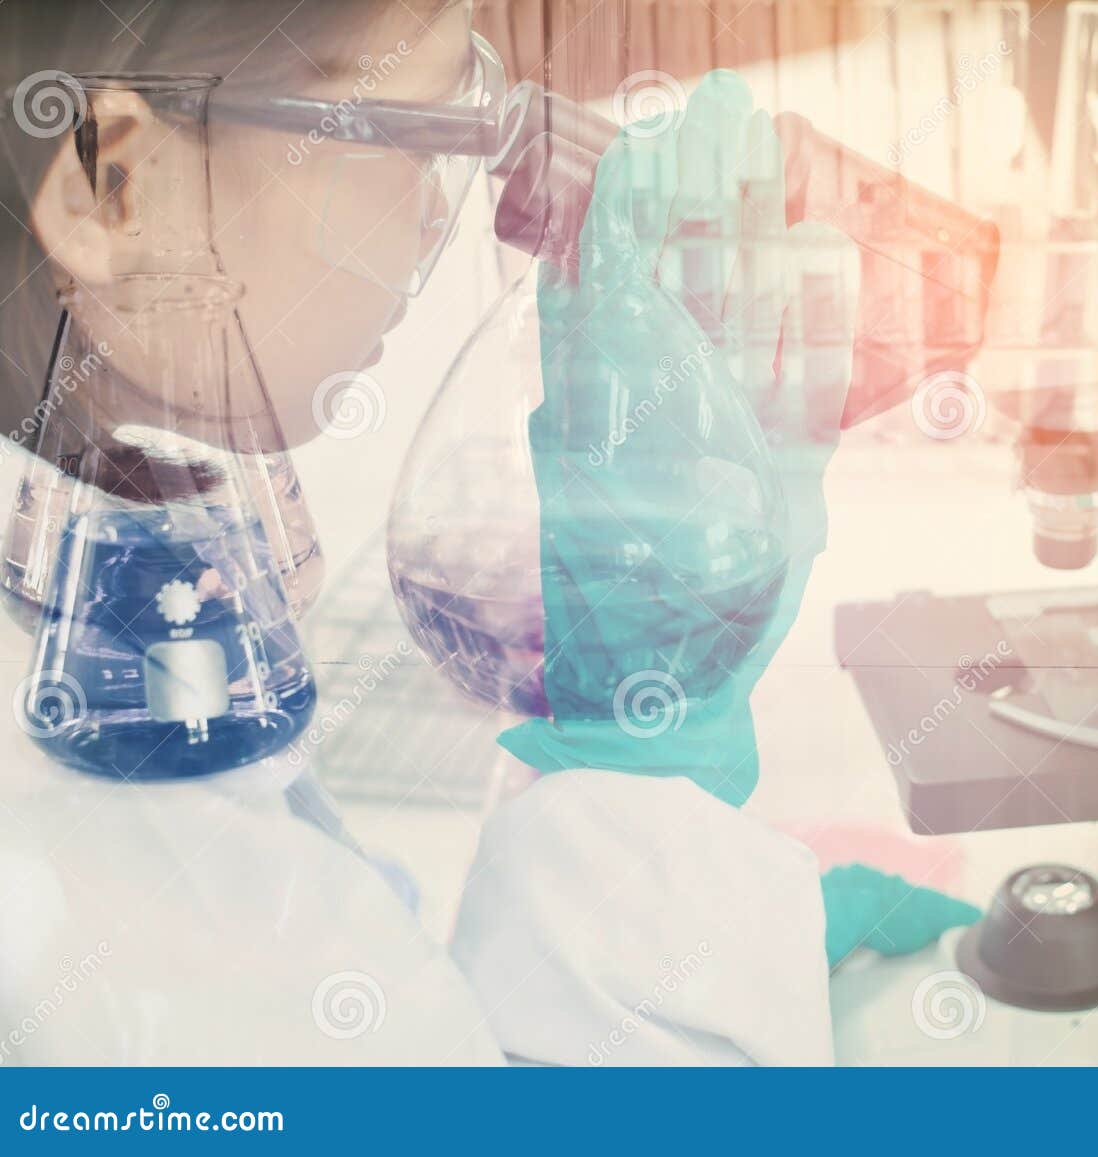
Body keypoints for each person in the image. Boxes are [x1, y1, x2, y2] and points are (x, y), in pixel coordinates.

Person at [0, 0, 977, 1066]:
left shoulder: (106, 576)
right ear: (114, 185)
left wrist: (690, 909)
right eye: (414, 141)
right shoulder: (75, 835)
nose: (440, 215)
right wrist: (652, 829)